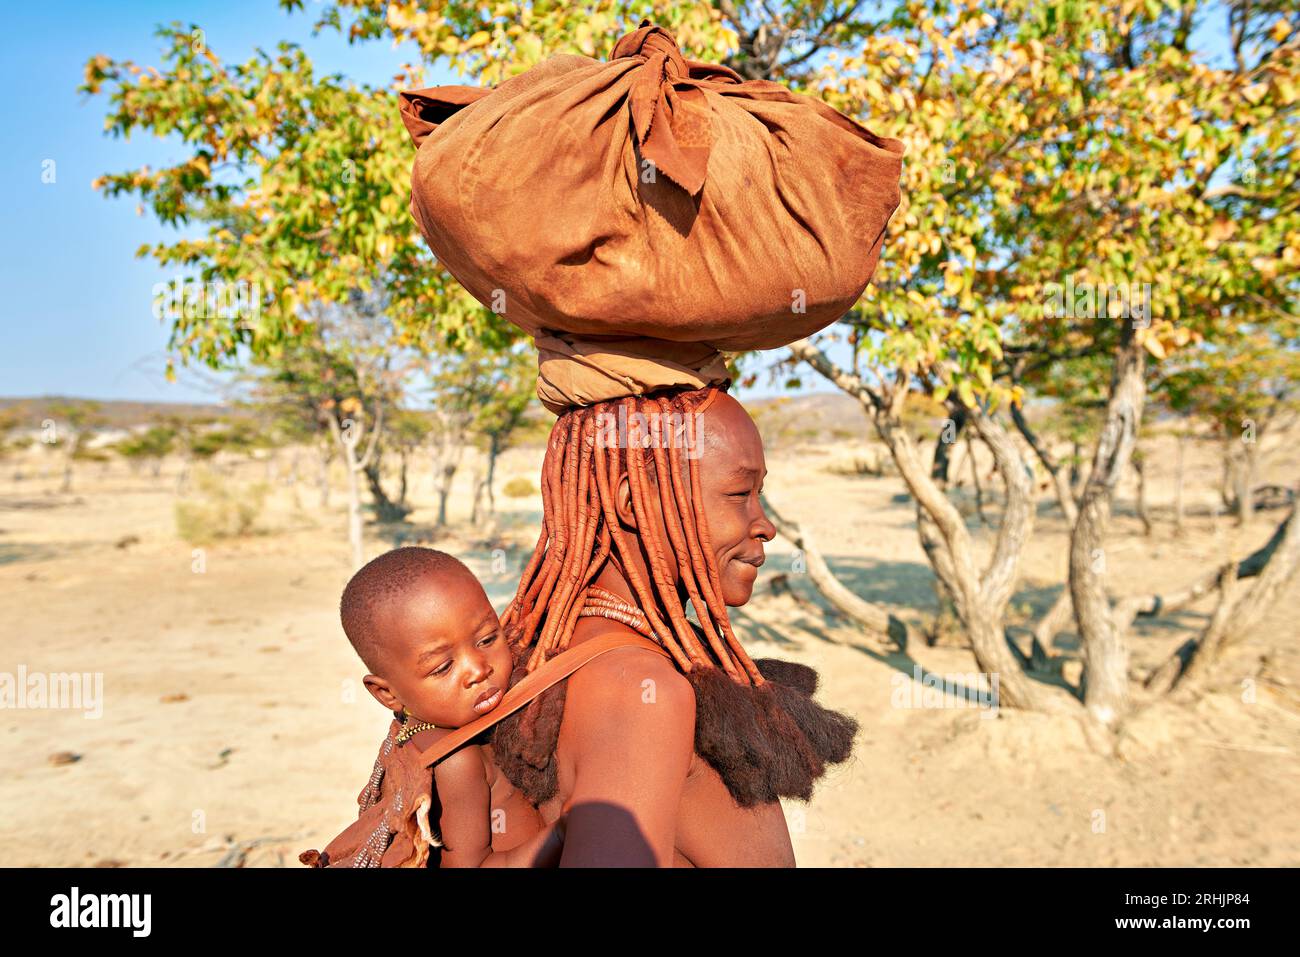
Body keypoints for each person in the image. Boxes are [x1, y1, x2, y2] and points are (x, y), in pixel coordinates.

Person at [492, 383, 859, 866]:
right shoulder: (645, 692)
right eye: (739, 494)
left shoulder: (528, 647)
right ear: (631, 503)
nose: (765, 524)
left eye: (759, 494)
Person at [340, 546, 565, 867]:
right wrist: (563, 832)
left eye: (488, 639)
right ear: (387, 694)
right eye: (443, 667)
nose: (479, 670)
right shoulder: (457, 760)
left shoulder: (415, 731)